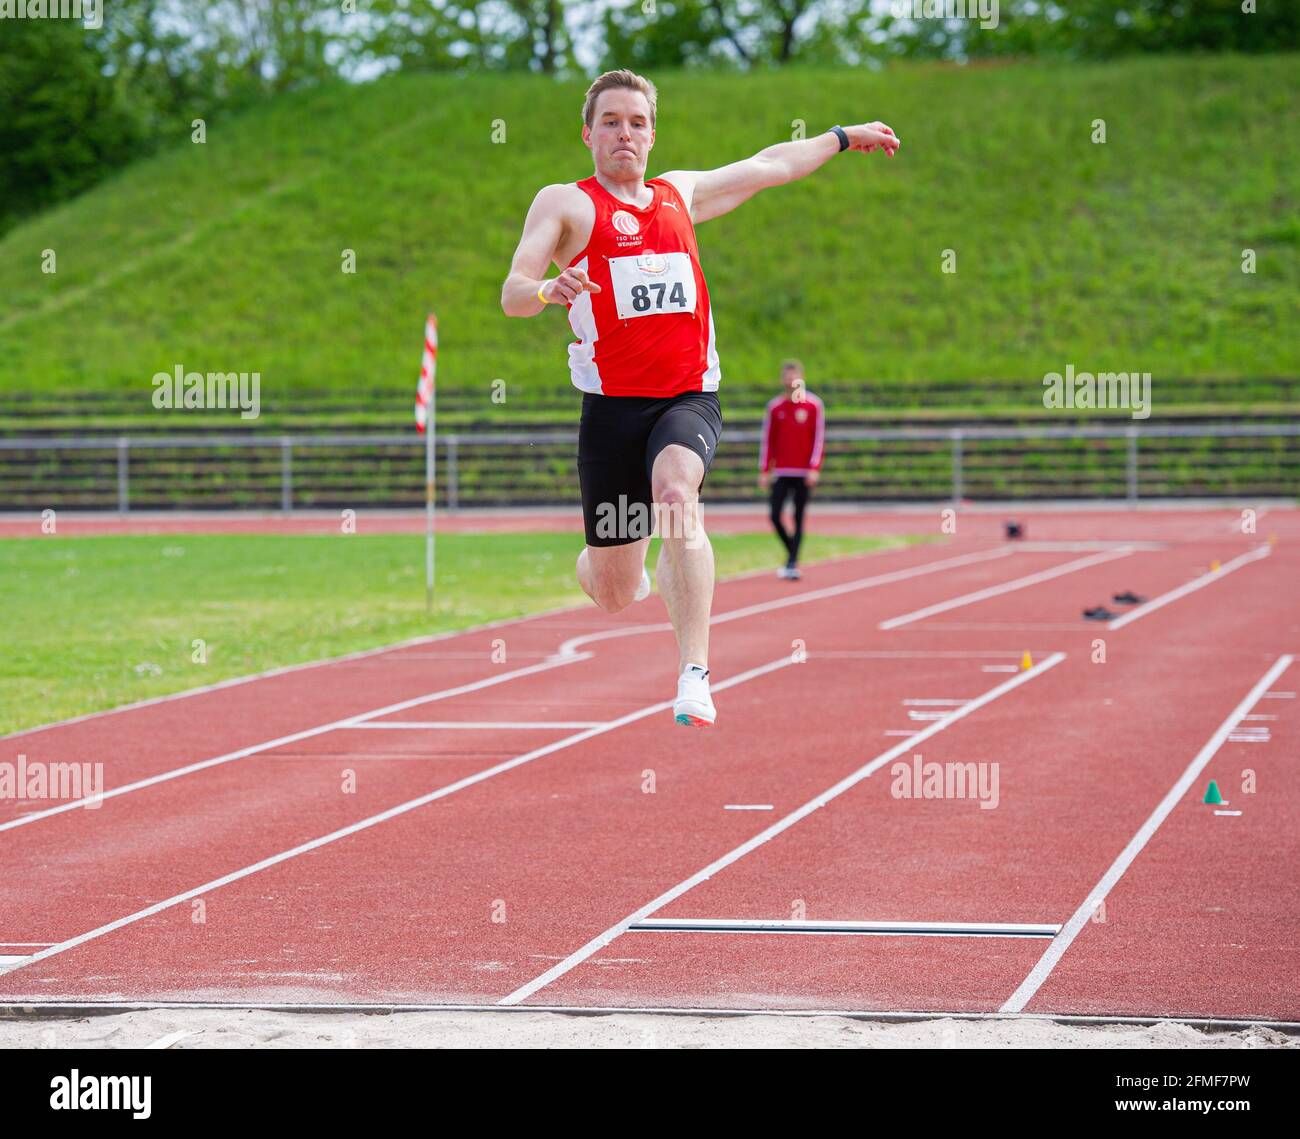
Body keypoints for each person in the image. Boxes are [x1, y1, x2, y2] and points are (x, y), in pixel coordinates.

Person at [501, 68, 899, 725]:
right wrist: (548, 290)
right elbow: (513, 289)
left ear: (652, 133)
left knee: (679, 496)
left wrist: (839, 136)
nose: (623, 133)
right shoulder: (565, 205)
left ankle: (694, 672)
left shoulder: (679, 195)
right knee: (616, 591)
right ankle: (602, 556)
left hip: (687, 397)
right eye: (610, 121)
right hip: (611, 410)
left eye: (635, 121)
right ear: (588, 134)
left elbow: (771, 165)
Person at [759, 360, 824, 580]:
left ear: (801, 377)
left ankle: (791, 563)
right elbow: (768, 441)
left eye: (794, 375)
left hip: (803, 473)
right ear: (782, 379)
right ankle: (792, 553)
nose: (790, 380)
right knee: (775, 515)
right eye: (787, 376)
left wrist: (814, 468)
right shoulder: (775, 407)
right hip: (782, 472)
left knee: (798, 517)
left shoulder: (814, 405)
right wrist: (765, 470)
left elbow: (818, 439)